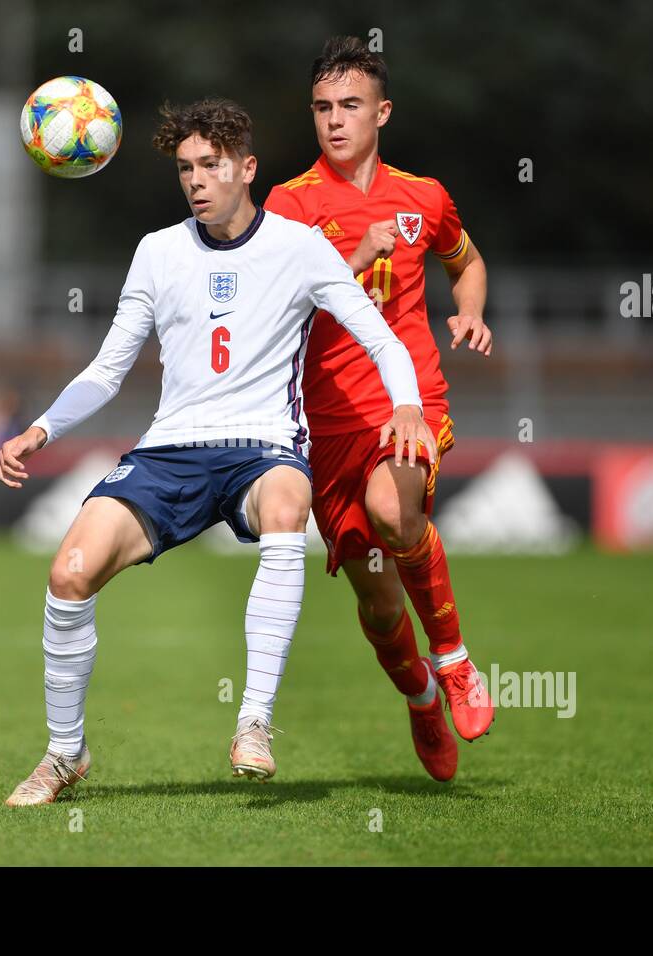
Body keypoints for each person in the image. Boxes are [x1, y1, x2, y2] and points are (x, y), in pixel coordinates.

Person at [0, 97, 432, 805]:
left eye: (210, 165)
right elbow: (109, 369)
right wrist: (40, 429)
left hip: (263, 450)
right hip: (171, 451)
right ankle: (64, 755)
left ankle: (254, 721)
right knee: (68, 573)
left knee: (290, 506)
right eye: (185, 168)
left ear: (247, 167)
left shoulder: (299, 247)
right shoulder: (158, 251)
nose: (196, 180)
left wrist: (406, 405)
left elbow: (379, 338)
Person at [264, 37, 496, 781]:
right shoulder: (289, 206)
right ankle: (422, 696)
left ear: (382, 112)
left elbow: (467, 259)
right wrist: (349, 260)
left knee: (396, 514)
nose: (335, 121)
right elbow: (276, 305)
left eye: (351, 106)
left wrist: (469, 311)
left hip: (408, 404)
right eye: (323, 108)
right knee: (378, 598)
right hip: (325, 421)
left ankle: (455, 660)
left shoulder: (424, 196)